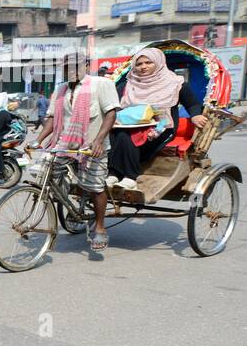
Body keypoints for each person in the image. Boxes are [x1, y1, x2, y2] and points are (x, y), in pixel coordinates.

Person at [31, 66, 120, 252]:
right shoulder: (60, 89)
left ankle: (100, 228)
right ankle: (70, 207)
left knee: (96, 186)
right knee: (46, 173)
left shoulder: (101, 84)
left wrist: (99, 141)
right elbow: (51, 117)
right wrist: (38, 140)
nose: (71, 70)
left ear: (85, 66)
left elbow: (111, 113)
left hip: (92, 145)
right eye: (65, 67)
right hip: (65, 144)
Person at [108, 47, 206, 190]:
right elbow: (114, 105)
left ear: (159, 63)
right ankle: (114, 173)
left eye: (148, 62)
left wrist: (195, 115)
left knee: (130, 137)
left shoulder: (175, 83)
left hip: (162, 126)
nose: (143, 67)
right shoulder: (128, 84)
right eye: (139, 64)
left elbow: (193, 103)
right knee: (116, 133)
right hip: (128, 124)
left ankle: (130, 176)